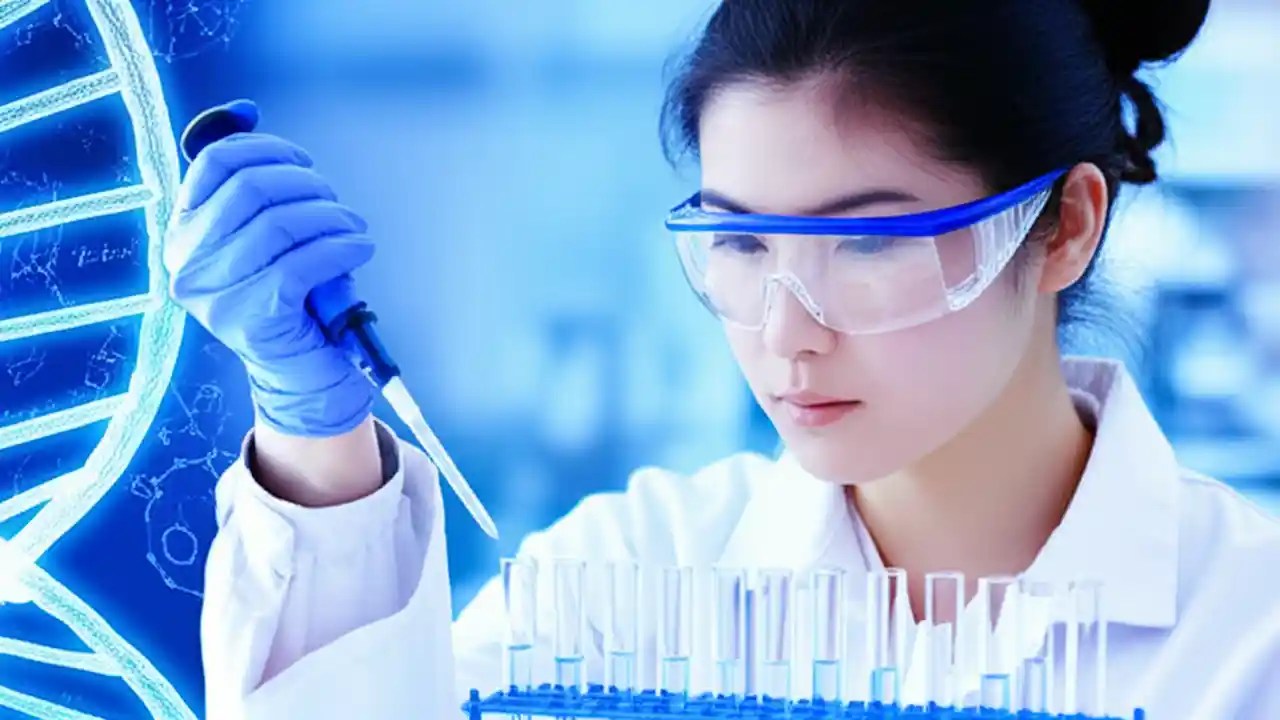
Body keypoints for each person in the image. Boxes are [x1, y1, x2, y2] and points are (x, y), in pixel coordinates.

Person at [168, 1, 1280, 718]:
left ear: (1065, 227)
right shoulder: (626, 589)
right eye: (741, 242)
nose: (785, 333)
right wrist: (316, 441)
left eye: (864, 242)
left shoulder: (1248, 634)